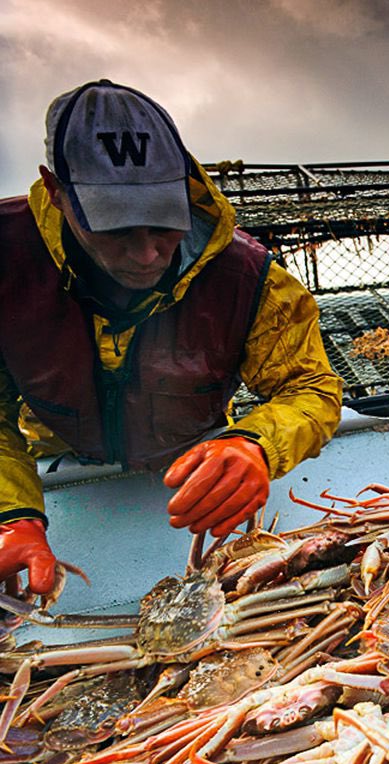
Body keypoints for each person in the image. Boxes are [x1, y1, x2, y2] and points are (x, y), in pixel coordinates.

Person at [0, 79, 343, 595]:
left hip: (199, 470)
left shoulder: (250, 278)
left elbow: (312, 389)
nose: (146, 255)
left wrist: (255, 444)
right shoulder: (6, 259)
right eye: (116, 228)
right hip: (57, 467)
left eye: (164, 222)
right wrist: (13, 514)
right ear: (55, 190)